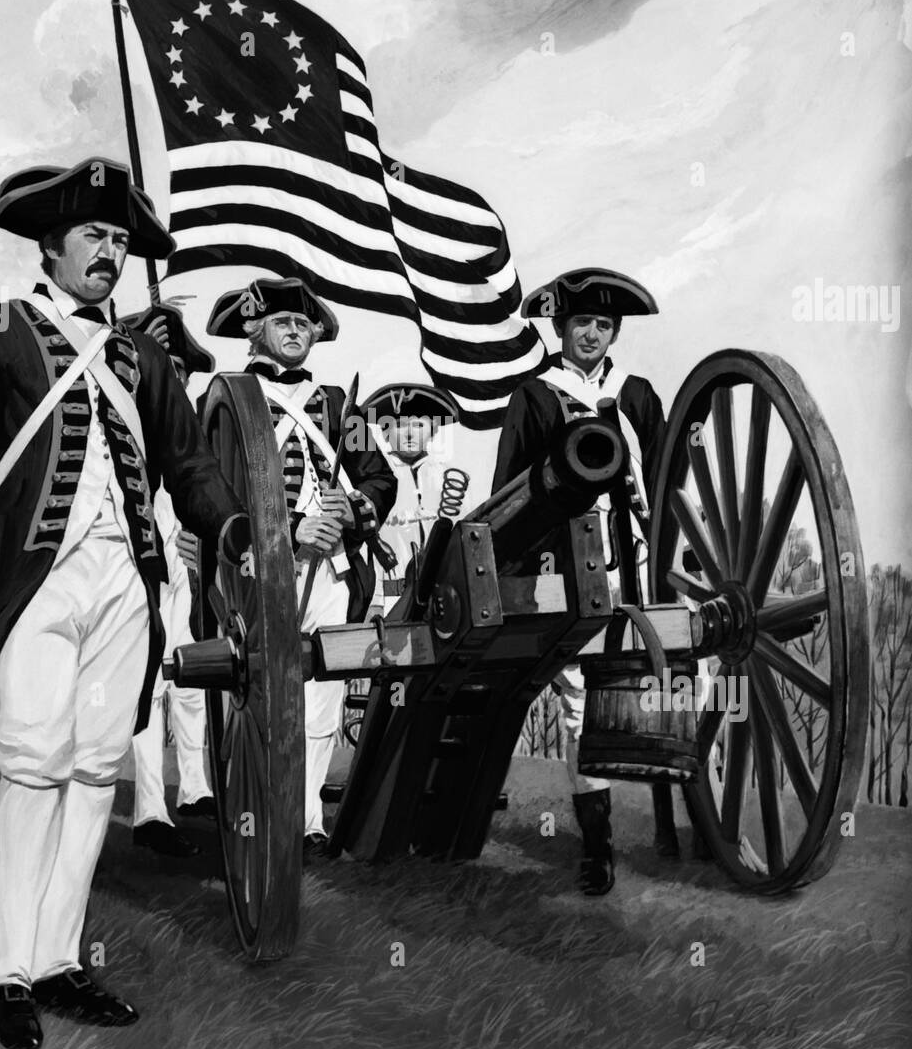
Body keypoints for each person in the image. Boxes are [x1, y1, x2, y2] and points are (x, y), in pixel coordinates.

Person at [0, 158, 250, 1049]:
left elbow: (188, 465)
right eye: (94, 237)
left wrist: (235, 531)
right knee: (32, 767)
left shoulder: (140, 355)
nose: (110, 253)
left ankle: (60, 960)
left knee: (97, 769)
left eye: (120, 240)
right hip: (33, 581)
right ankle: (8, 971)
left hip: (124, 583)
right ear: (50, 243)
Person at [207, 278, 396, 857]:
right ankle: (259, 812)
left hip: (332, 570)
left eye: (303, 324)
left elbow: (378, 477)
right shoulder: (227, 397)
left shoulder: (340, 404)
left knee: (321, 703)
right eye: (282, 322)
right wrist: (288, 531)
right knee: (264, 695)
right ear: (252, 330)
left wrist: (353, 508)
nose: (295, 332)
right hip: (259, 572)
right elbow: (213, 488)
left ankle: (308, 817)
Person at [492, 267, 665, 895]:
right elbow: (508, 491)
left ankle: (675, 826)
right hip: (568, 566)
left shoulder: (638, 394)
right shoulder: (535, 397)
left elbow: (670, 475)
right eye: (580, 323)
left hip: (640, 560)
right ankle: (598, 848)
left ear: (613, 331)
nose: (590, 334)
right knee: (578, 706)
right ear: (561, 329)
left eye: (602, 324)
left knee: (673, 685)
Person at [121, 303, 218, 857]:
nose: (174, 383)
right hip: (142, 558)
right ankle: (151, 809)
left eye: (179, 373)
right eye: (164, 371)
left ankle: (196, 786)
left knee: (192, 677)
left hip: (186, 566)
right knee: (150, 681)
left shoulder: (194, 436)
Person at [361, 383, 467, 608]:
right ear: (385, 432)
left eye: (419, 425)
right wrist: (375, 604)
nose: (409, 434)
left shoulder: (446, 477)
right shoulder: (377, 481)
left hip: (445, 597)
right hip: (390, 600)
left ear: (434, 430)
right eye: (398, 425)